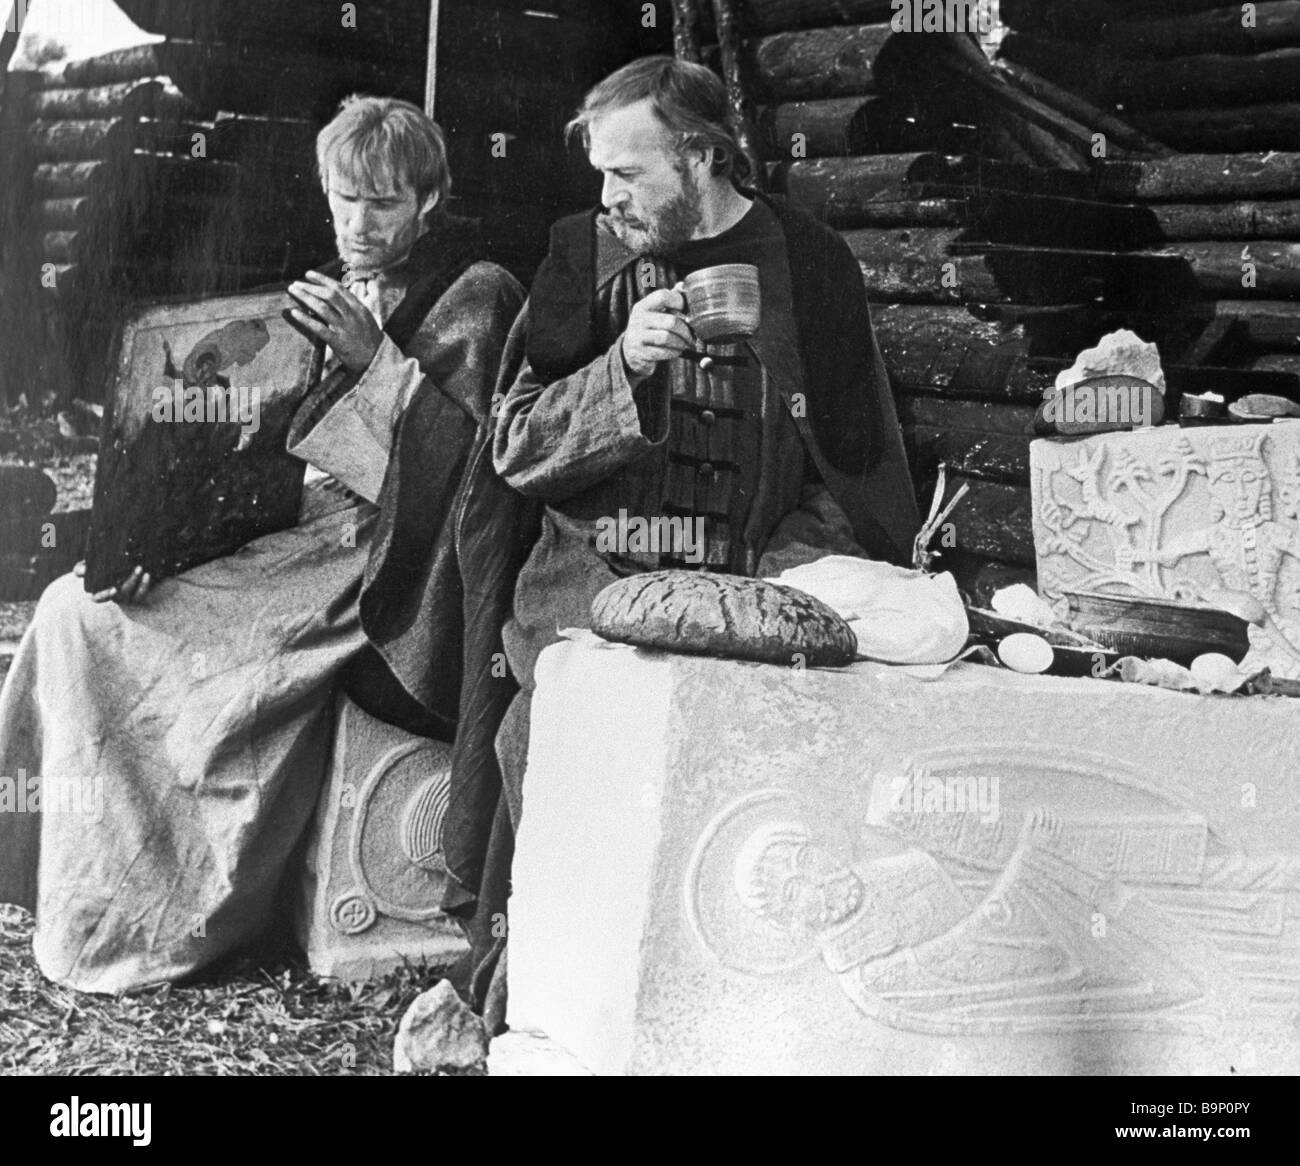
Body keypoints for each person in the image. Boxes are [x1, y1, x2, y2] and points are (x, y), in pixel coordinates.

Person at [0, 95, 525, 993]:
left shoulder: (479, 294)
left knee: (129, 642)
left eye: (384, 204)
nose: (359, 224)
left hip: (384, 559)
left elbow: (475, 476)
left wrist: (378, 367)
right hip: (297, 530)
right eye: (343, 199)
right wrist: (170, 522)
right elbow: (259, 443)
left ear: (431, 201)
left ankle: (154, 910)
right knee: (74, 607)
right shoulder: (320, 286)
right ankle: (67, 874)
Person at [442, 56, 921, 1026]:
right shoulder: (584, 256)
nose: (607, 196)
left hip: (755, 584)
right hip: (590, 584)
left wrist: (777, 576)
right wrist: (620, 367)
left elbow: (858, 467)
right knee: (574, 730)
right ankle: (538, 1002)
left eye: (629, 173)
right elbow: (514, 447)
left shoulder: (809, 261)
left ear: (701, 157)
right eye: (602, 175)